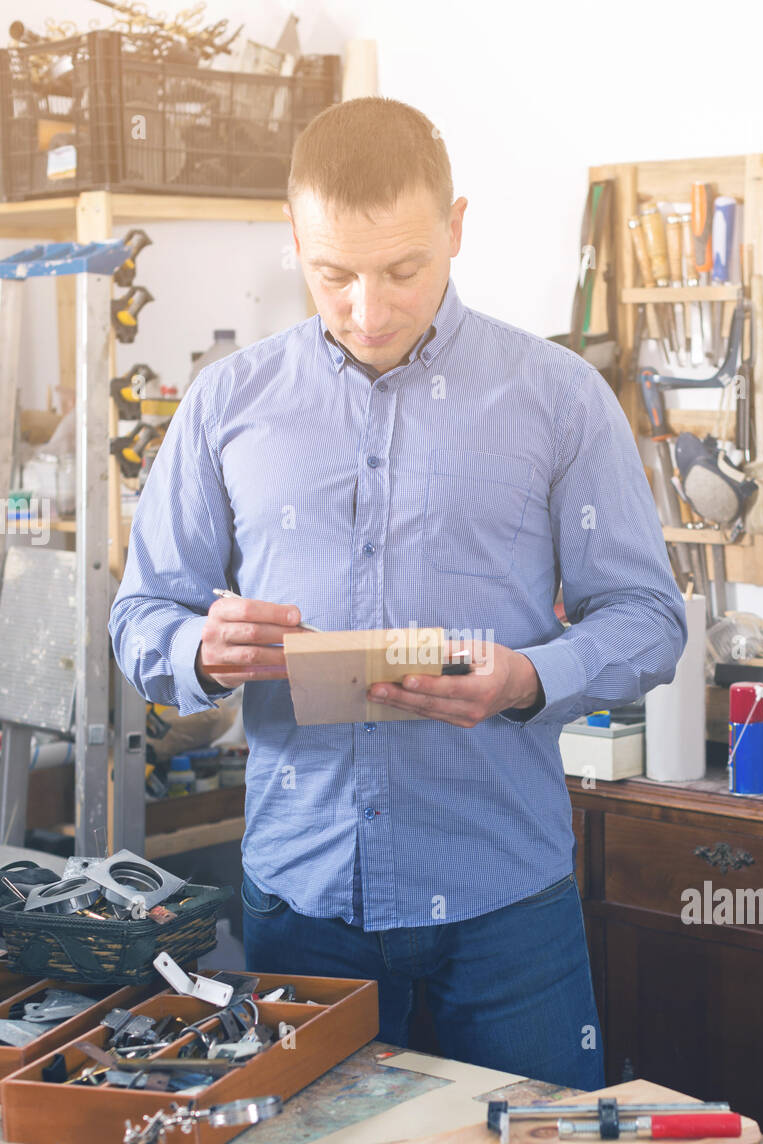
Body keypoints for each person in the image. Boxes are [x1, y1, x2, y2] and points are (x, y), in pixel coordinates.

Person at [109, 97, 686, 1090]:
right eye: (333, 274)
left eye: (404, 270)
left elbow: (649, 619)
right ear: (293, 240)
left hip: (505, 912)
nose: (367, 310)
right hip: (302, 908)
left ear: (455, 228)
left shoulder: (557, 398)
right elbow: (141, 617)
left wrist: (528, 677)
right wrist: (199, 647)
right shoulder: (225, 403)